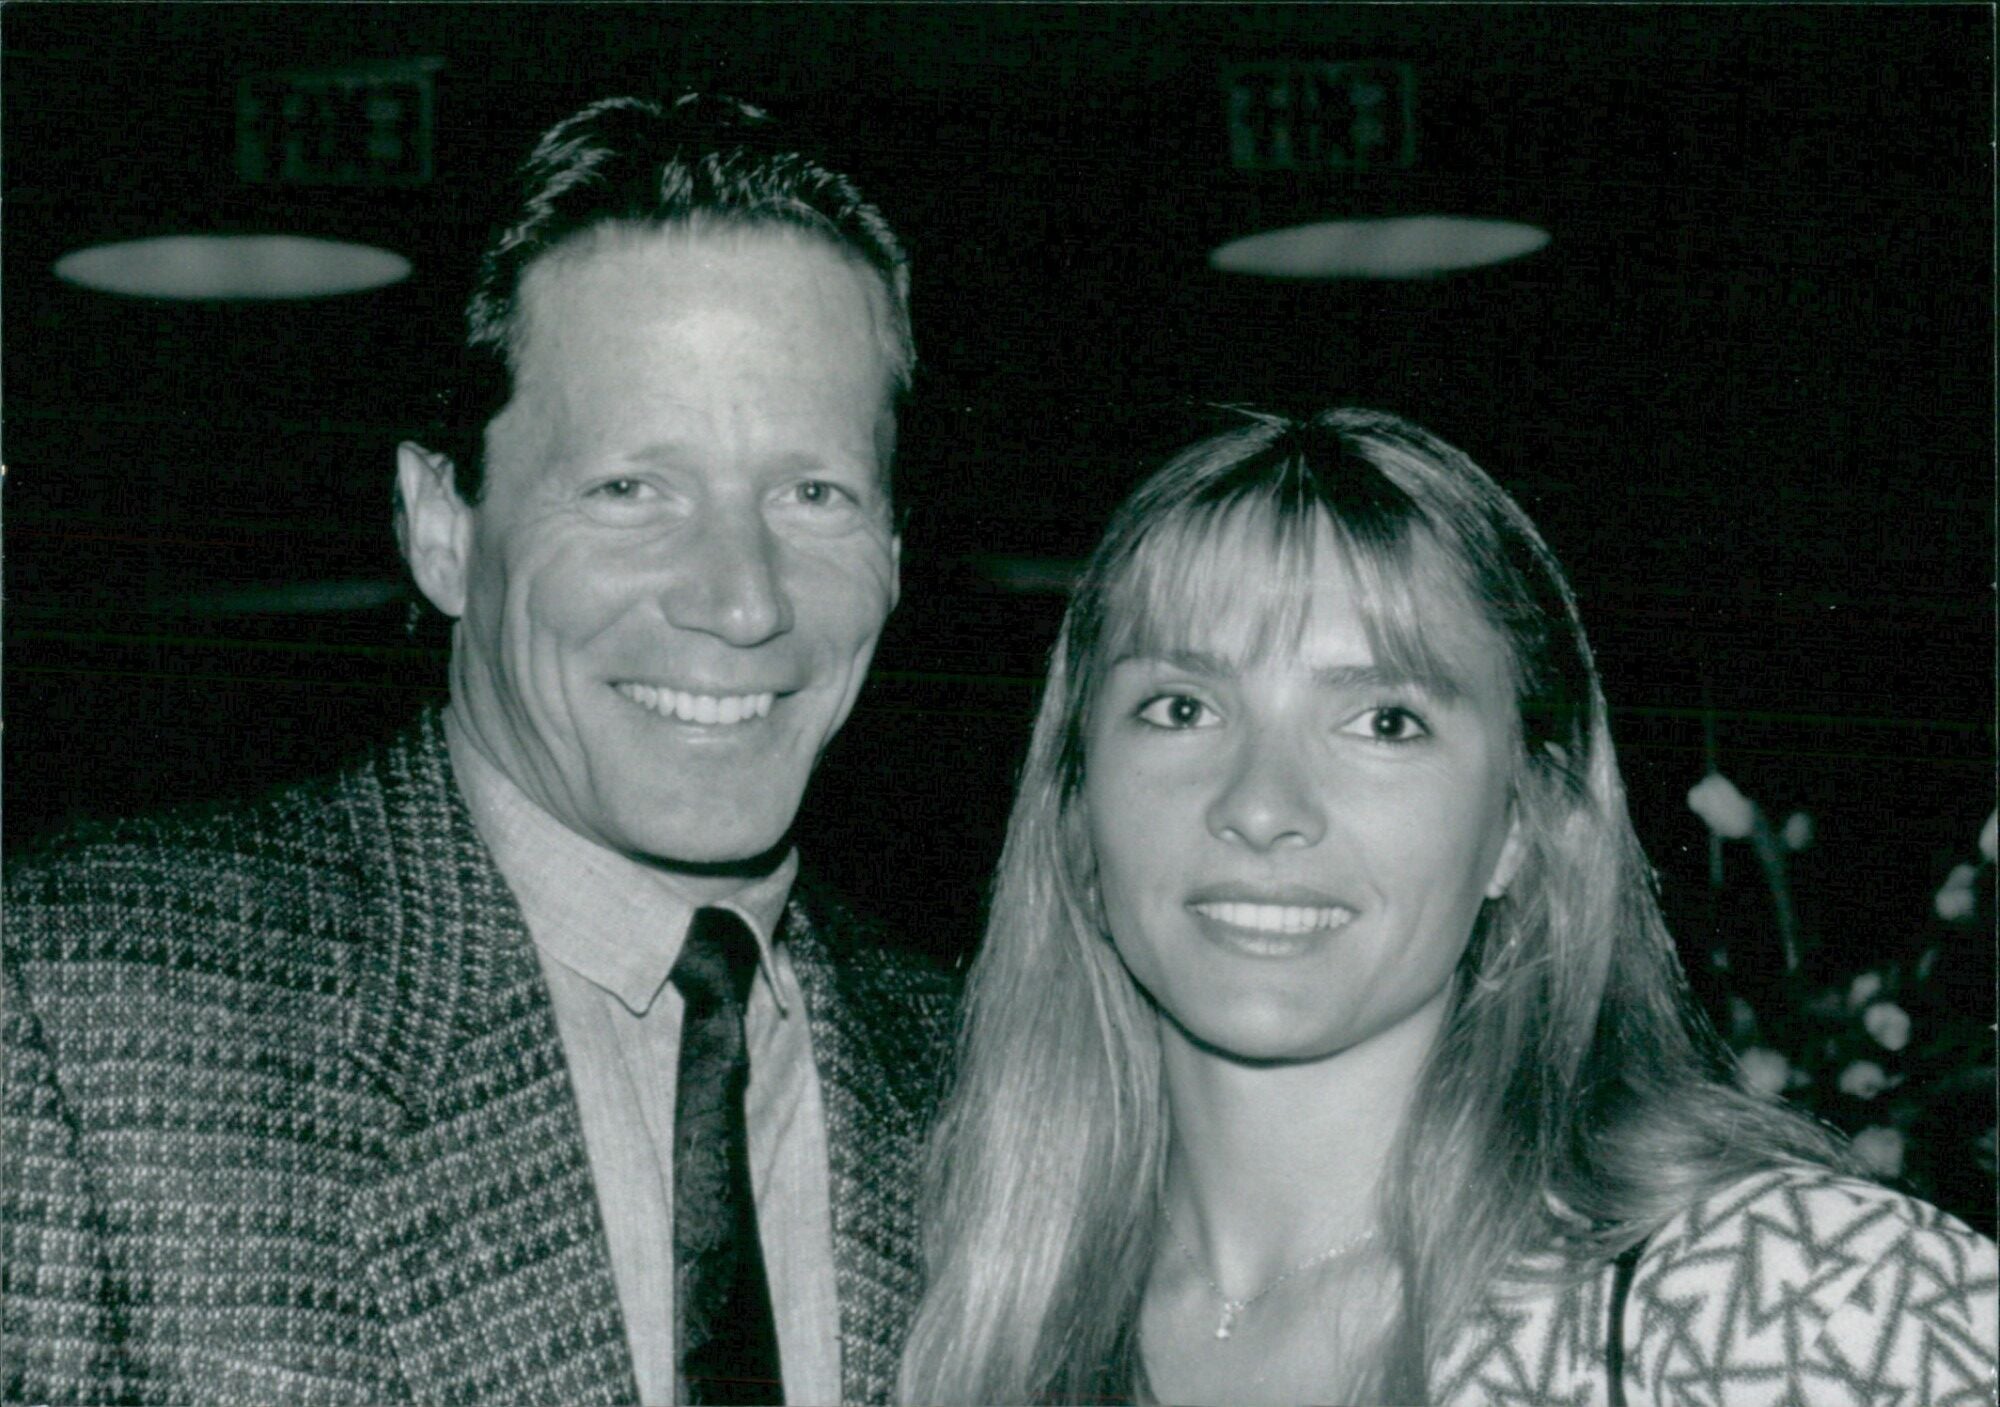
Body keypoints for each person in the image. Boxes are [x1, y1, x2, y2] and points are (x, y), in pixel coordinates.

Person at [5, 94, 956, 1407]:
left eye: (815, 493)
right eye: (633, 488)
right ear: (441, 523)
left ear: (897, 555)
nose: (743, 598)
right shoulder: (81, 1006)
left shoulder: (993, 1080)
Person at [897, 407, 1998, 1405]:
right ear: (1077, 810)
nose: (1261, 805)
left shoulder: (1802, 1304)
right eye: (1180, 707)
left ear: (1523, 823)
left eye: (1382, 720)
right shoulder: (945, 1315)